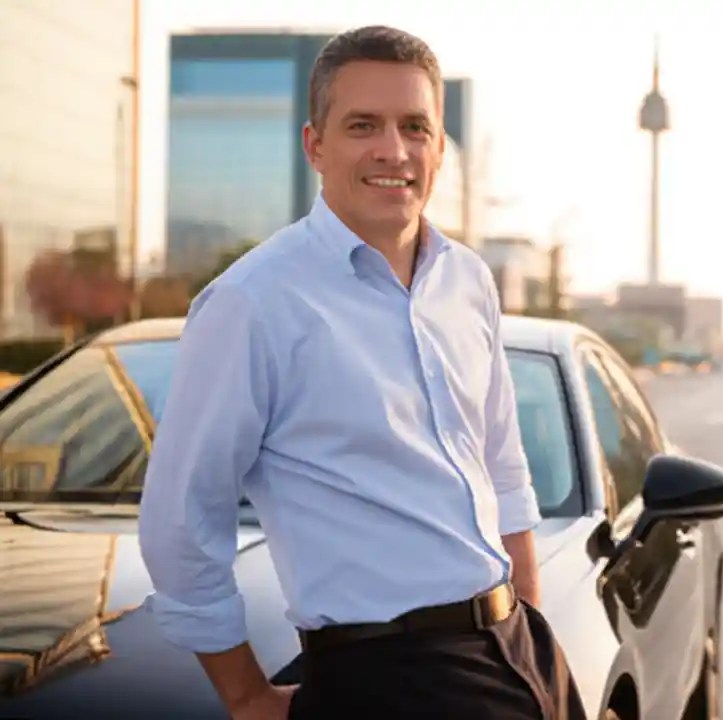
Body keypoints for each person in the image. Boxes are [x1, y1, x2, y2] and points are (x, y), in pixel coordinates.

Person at [138, 25, 586, 720]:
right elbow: (178, 521)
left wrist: (527, 617)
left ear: (440, 148)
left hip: (520, 655)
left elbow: (502, 466)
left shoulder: (467, 280)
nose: (394, 150)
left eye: (415, 127)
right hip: (384, 679)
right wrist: (248, 696)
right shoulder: (252, 303)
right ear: (316, 145)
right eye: (363, 126)